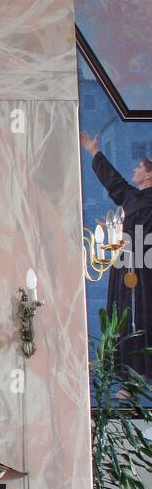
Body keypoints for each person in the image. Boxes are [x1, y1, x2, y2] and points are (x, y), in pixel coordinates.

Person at [81, 131, 152, 378]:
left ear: (149, 173)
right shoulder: (132, 197)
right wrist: (93, 151)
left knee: (145, 315)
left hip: (146, 269)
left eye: (138, 167)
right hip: (124, 266)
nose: (134, 170)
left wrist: (125, 233)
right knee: (121, 314)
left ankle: (144, 372)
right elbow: (114, 181)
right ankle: (125, 373)